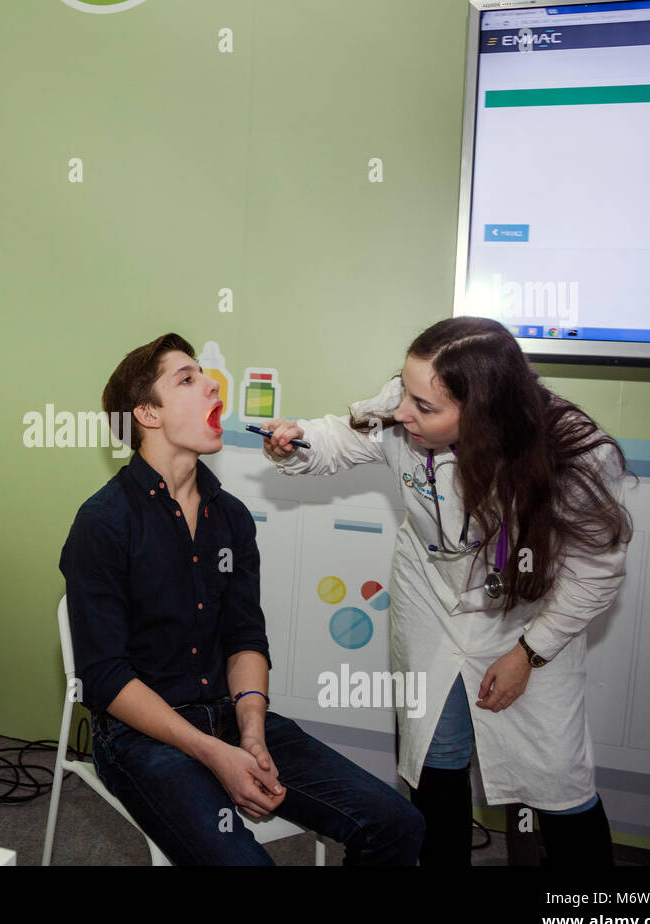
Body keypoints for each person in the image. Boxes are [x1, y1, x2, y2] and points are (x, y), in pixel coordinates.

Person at [262, 317, 631, 866]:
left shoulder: (575, 456)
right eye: (405, 393)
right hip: (430, 594)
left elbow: (595, 572)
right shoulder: (407, 405)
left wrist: (529, 653)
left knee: (556, 774)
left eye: (425, 407)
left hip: (526, 611)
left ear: (485, 413)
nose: (402, 411)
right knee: (437, 749)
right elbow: (344, 437)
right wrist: (298, 444)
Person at [59, 333, 424, 866]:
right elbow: (106, 677)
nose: (211, 384)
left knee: (398, 824)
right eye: (187, 379)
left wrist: (251, 734)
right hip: (141, 740)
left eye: (205, 373)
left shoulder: (229, 517)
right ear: (147, 414)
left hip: (232, 717)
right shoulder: (104, 523)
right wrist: (211, 753)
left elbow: (245, 636)